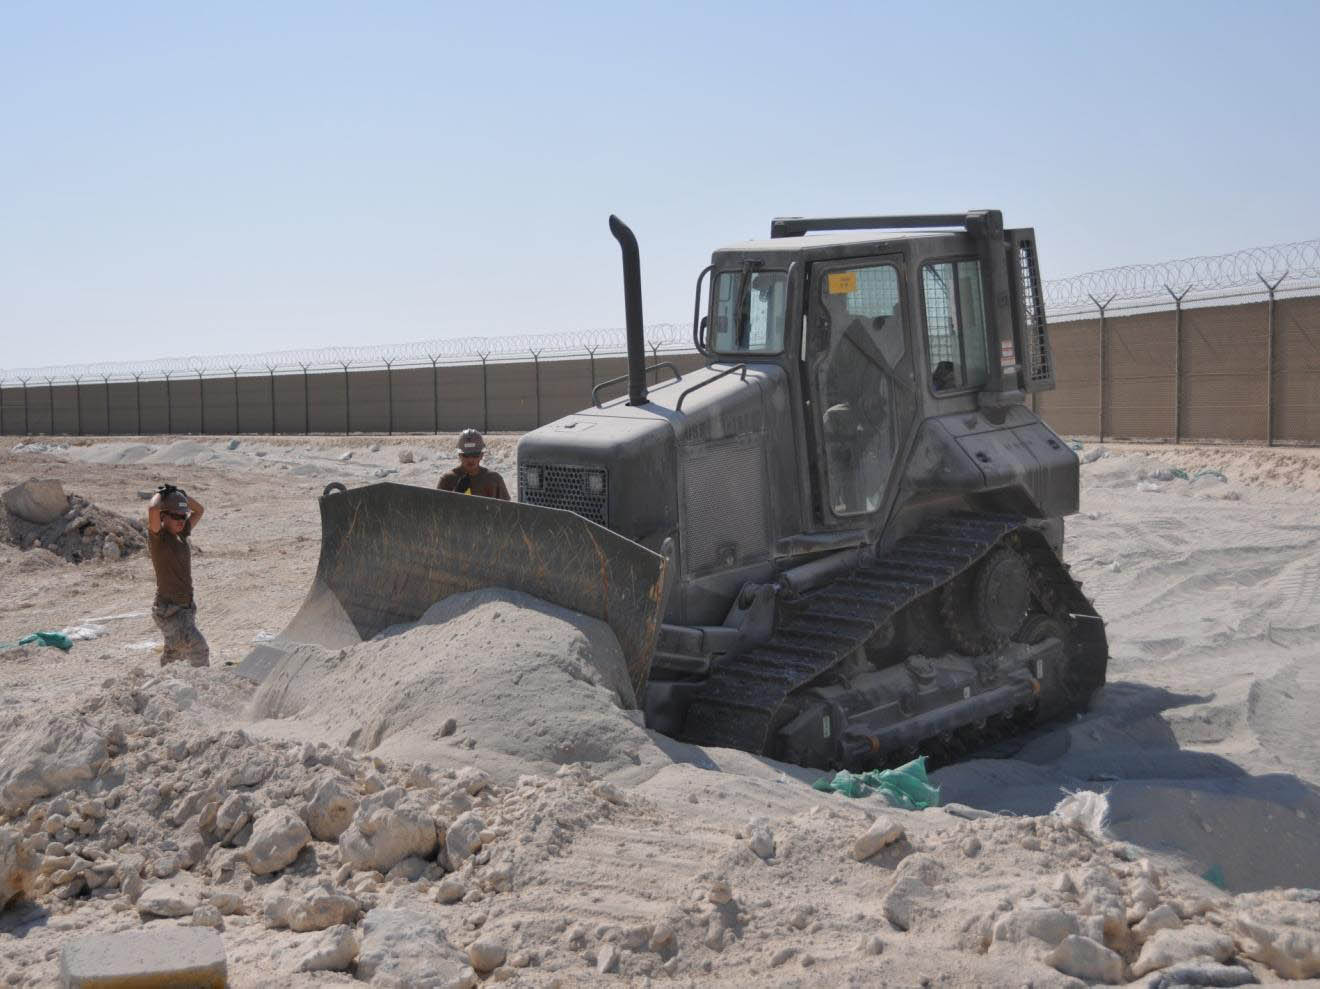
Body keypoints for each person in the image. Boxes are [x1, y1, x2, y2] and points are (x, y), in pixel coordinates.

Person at [147, 484, 210, 667]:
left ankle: (164, 680)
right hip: (170, 610)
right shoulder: (159, 538)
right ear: (163, 516)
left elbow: (199, 510)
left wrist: (181, 495)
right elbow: (153, 509)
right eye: (175, 516)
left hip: (185, 608)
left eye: (183, 516)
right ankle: (203, 682)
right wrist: (160, 494)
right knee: (198, 648)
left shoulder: (181, 534)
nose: (181, 520)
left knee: (176, 654)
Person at [438, 428, 510, 499]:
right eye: (466, 455)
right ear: (459, 455)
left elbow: (506, 505)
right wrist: (455, 494)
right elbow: (436, 505)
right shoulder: (447, 480)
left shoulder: (494, 479)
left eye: (475, 455)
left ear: (481, 455)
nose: (470, 460)